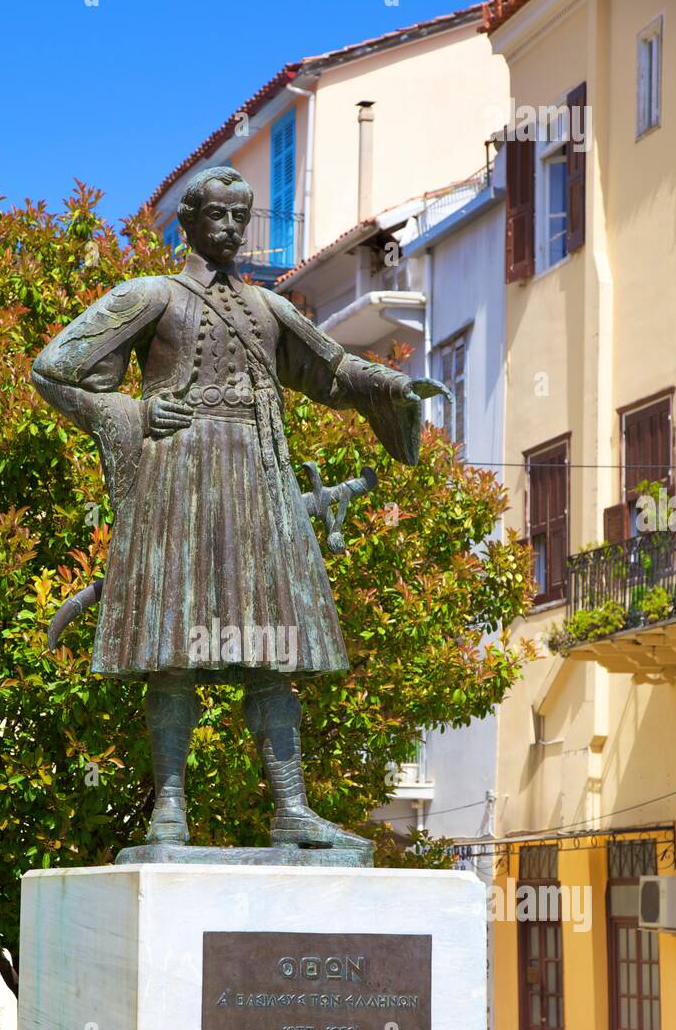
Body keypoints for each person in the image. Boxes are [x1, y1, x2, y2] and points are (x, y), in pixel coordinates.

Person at [32, 166, 448, 853]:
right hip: (177, 478)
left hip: (258, 483)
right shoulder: (149, 296)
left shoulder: (268, 308)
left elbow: (334, 371)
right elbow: (55, 368)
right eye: (215, 216)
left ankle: (292, 809)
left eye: (238, 217)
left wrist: (395, 384)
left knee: (273, 652)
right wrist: (131, 412)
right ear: (189, 224)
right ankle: (168, 813)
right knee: (173, 649)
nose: (227, 228)